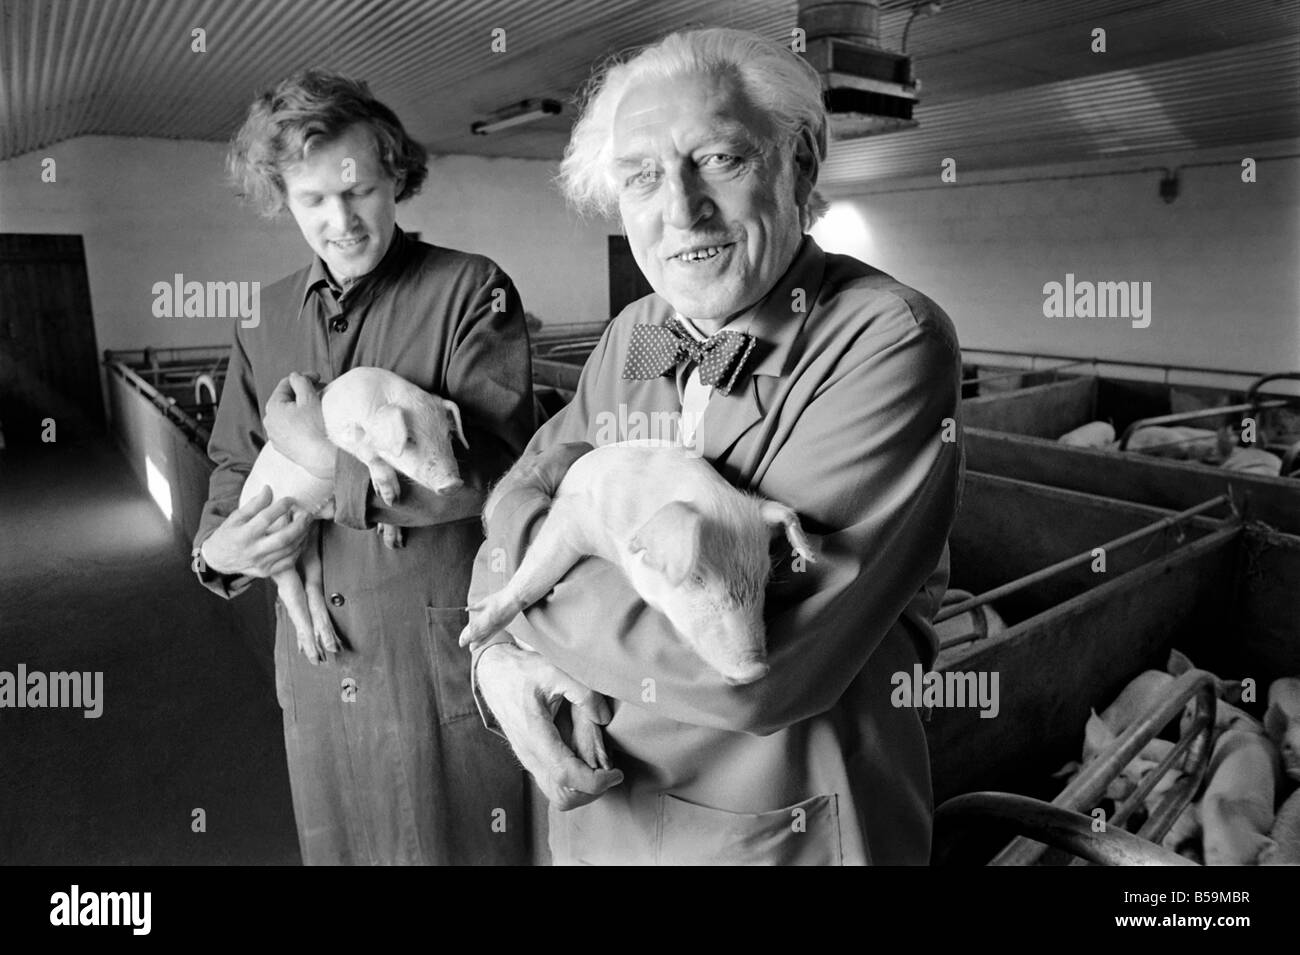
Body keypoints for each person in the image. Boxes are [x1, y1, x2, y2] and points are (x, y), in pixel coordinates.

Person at [467, 28, 964, 865]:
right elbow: (507, 506)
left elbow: (757, 673)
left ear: (800, 162)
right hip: (601, 814)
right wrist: (495, 663)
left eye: (720, 160)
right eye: (643, 177)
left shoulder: (888, 338)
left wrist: (527, 597)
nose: (681, 210)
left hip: (781, 827)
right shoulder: (635, 333)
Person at [192, 69, 534, 865]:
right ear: (284, 198)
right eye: (313, 200)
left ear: (395, 179)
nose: (341, 220)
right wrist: (217, 552)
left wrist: (326, 464)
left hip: (435, 659)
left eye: (362, 191)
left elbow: (497, 472)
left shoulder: (470, 289)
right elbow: (232, 463)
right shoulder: (263, 317)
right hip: (319, 664)